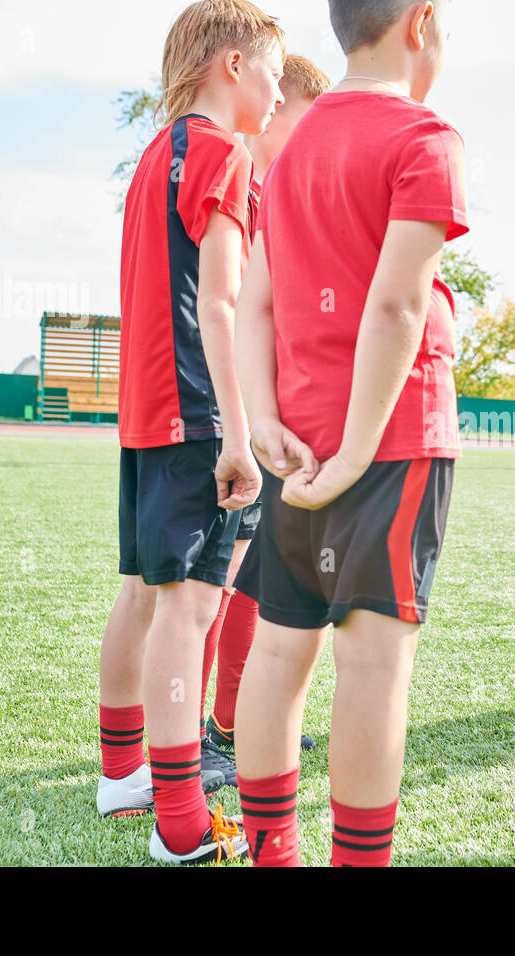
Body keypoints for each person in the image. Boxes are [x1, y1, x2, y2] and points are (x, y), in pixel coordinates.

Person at [232, 0, 466, 866]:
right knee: (371, 667)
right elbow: (398, 305)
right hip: (390, 445)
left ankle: (271, 854)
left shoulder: (292, 146)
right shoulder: (425, 137)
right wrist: (360, 452)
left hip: (297, 447)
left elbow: (254, 303)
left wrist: (265, 420)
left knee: (278, 651)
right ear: (421, 22)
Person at [95, 0, 283, 864]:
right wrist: (240, 434)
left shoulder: (154, 156)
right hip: (196, 410)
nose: (277, 91)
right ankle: (180, 822)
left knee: (142, 593)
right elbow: (221, 302)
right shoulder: (224, 153)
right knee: (189, 606)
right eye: (272, 70)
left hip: (147, 412)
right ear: (233, 64)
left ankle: (121, 774)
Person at [199, 54, 334, 783]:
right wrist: (243, 417)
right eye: (305, 123)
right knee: (217, 583)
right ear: (276, 112)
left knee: (253, 578)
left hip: (270, 413)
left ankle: (229, 721)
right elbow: (228, 309)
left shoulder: (277, 193)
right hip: (233, 416)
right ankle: (199, 737)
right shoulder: (241, 184)